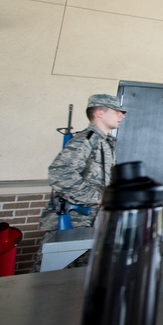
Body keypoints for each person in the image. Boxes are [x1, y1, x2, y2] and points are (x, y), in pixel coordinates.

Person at [32, 93, 127, 272]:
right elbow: (59, 173)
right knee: (51, 274)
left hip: (93, 221)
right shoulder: (86, 140)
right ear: (99, 112)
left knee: (81, 276)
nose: (122, 115)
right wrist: (97, 197)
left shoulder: (104, 143)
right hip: (74, 219)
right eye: (117, 111)